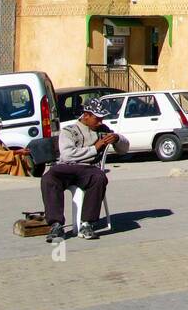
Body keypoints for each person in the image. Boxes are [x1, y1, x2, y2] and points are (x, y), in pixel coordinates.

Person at [40, 99, 129, 242]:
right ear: (86, 115)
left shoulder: (103, 130)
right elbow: (67, 154)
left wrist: (118, 139)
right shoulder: (69, 131)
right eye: (97, 118)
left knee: (99, 177)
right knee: (49, 178)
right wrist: (95, 148)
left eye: (102, 118)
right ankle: (56, 224)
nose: (100, 121)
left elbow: (124, 150)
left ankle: (87, 224)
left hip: (88, 169)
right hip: (66, 167)